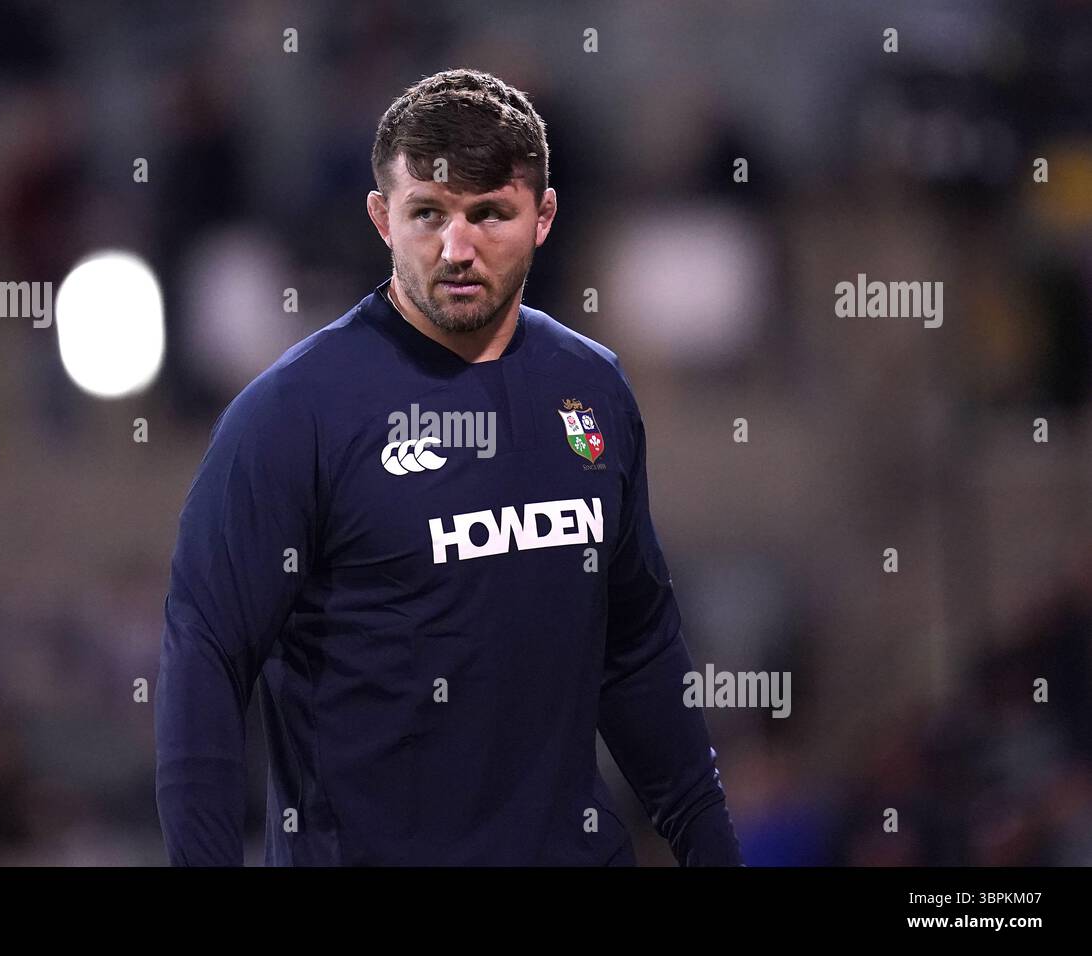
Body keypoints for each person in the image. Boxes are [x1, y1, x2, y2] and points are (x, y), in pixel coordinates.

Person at [155, 68, 743, 866]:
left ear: (544, 217)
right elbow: (206, 658)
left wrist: (711, 848)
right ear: (381, 218)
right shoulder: (294, 416)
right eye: (427, 213)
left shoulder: (591, 388)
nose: (456, 248)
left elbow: (635, 645)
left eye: (490, 214)